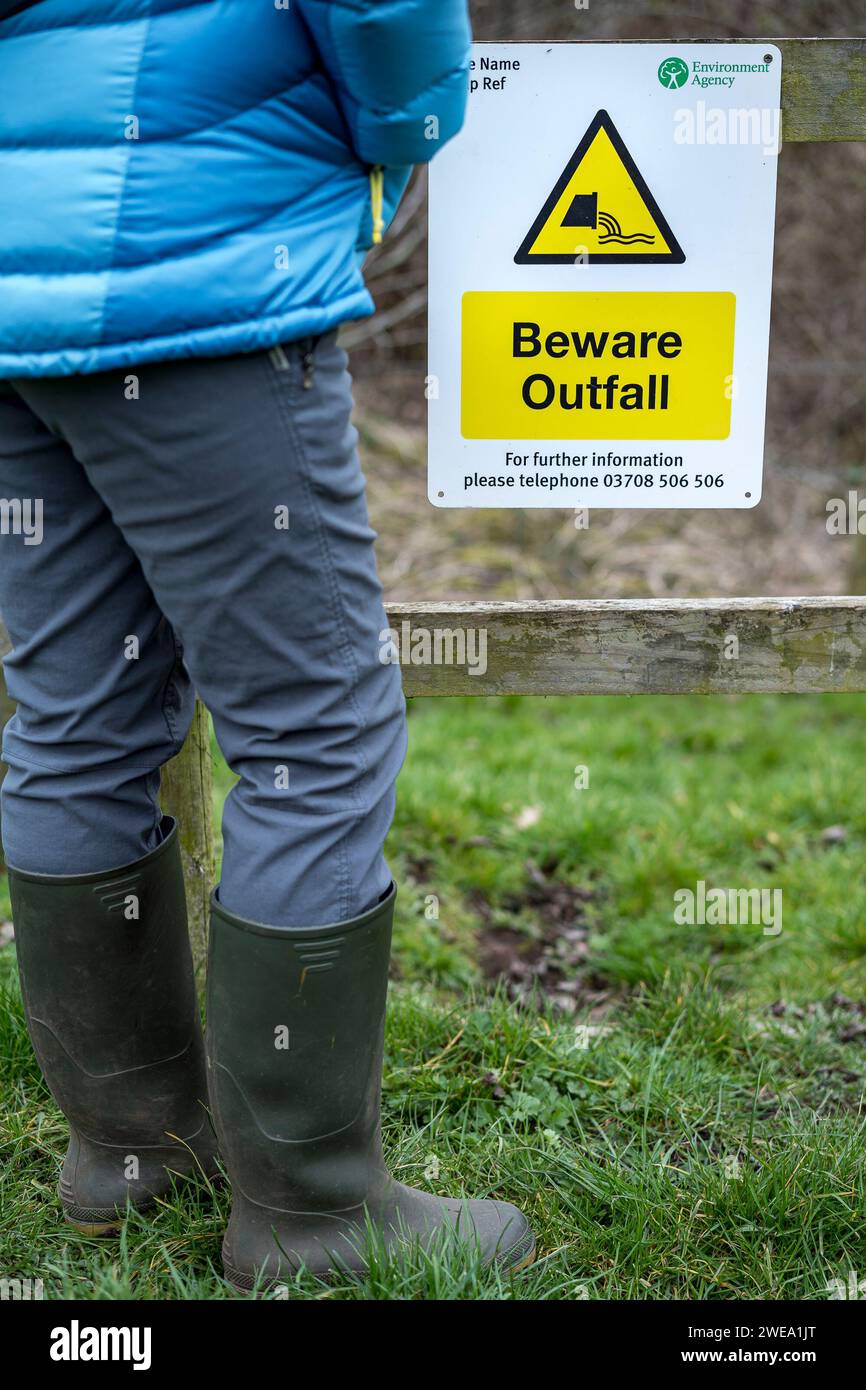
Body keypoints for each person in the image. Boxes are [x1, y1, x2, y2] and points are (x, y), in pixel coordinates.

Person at [0, 0, 533, 1288]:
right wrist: (398, 140)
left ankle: (131, 1151)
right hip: (201, 269)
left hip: (15, 268)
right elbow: (393, 14)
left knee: (77, 712)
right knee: (315, 731)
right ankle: (312, 1217)